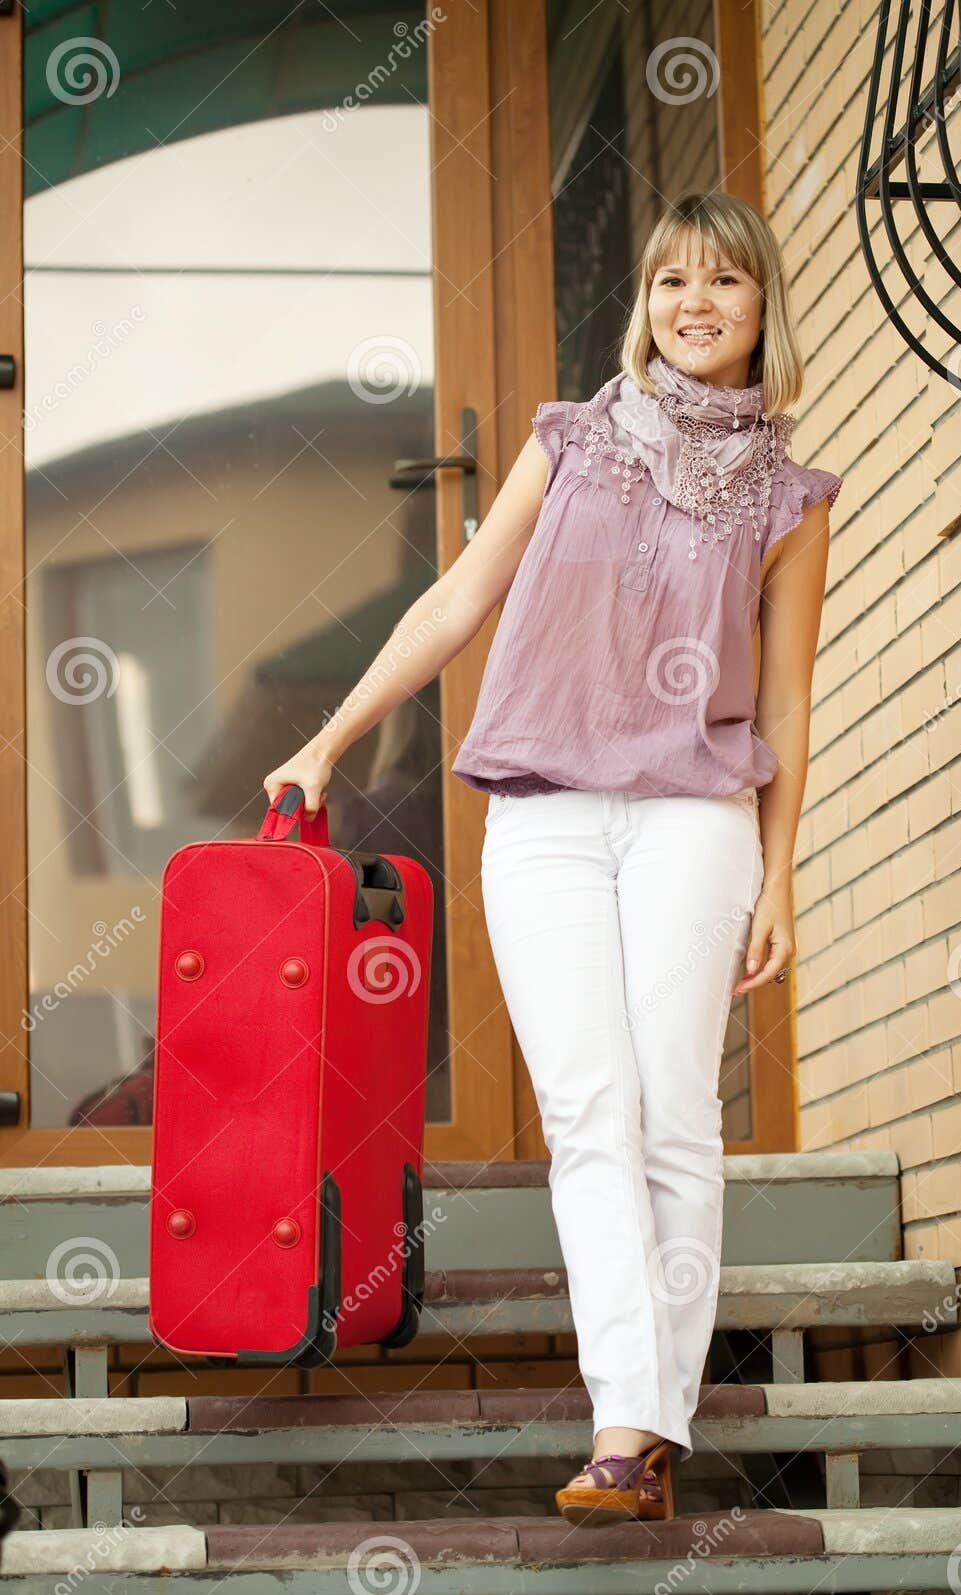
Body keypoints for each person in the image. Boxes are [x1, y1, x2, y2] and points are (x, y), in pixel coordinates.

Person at [264, 189, 844, 1526]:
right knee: (589, 1111)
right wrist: (331, 739)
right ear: (644, 303)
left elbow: (788, 702)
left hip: (695, 817)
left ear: (764, 308)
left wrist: (782, 873)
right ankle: (628, 1423)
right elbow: (459, 599)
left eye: (725, 281)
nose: (695, 304)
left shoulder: (790, 497)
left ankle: (637, 1433)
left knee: (673, 1113)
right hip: (543, 817)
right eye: (671, 280)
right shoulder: (571, 441)